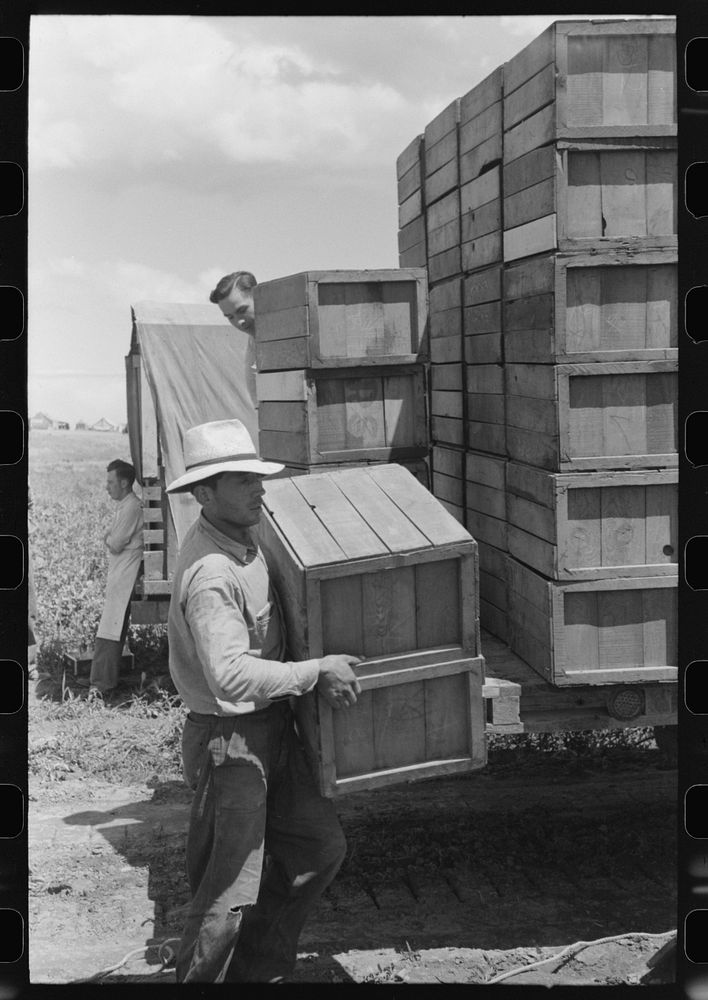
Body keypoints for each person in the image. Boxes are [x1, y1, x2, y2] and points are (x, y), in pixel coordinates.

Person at [166, 418, 361, 983]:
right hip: (230, 742)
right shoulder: (211, 572)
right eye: (242, 481)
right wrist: (315, 670)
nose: (259, 488)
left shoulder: (243, 536)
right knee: (225, 895)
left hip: (271, 730)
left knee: (317, 850)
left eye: (258, 477)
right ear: (205, 493)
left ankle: (257, 972)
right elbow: (228, 677)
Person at [85, 460, 143, 695]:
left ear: (125, 482)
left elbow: (116, 543)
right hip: (121, 571)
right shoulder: (124, 505)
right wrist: (111, 540)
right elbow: (114, 540)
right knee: (112, 624)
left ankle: (101, 684)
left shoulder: (131, 507)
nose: (106, 487)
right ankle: (103, 681)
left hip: (127, 572)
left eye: (110, 482)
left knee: (112, 625)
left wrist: (108, 540)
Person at [209, 271, 258, 407]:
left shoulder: (287, 333)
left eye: (242, 310)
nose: (239, 322)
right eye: (230, 317)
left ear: (258, 297)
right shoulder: (253, 343)